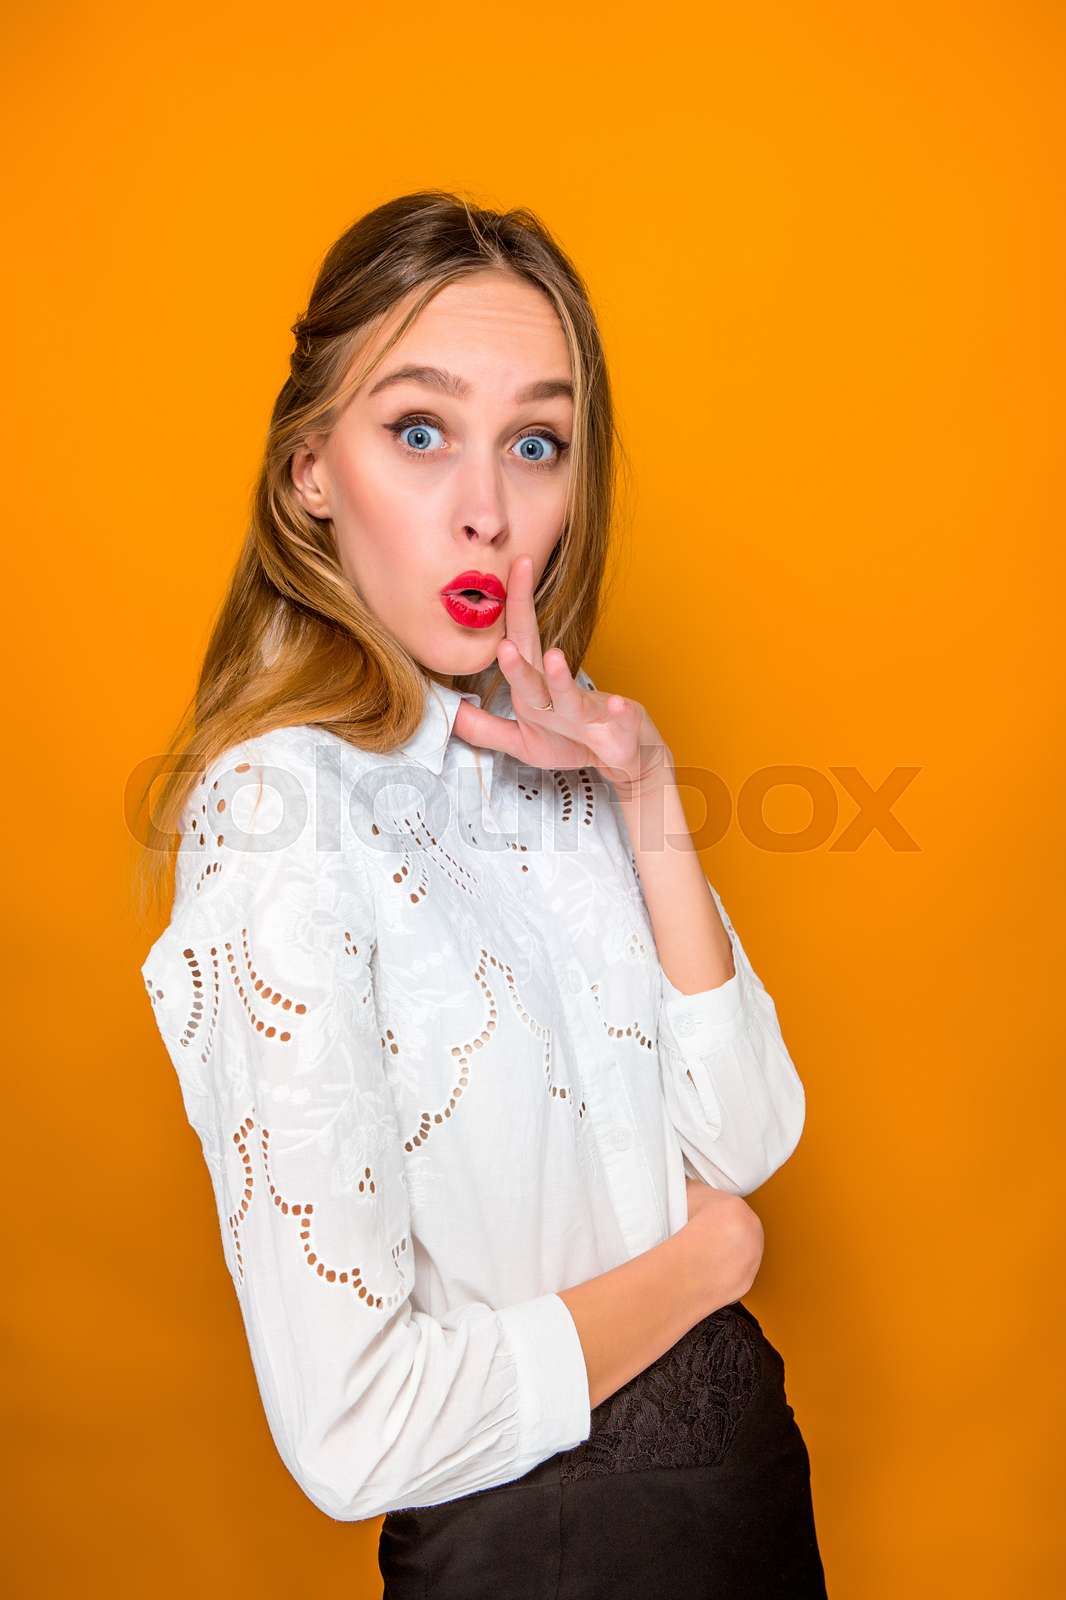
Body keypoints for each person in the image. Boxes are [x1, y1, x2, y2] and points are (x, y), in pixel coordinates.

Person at [136, 189, 827, 1597]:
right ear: (306, 475)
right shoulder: (281, 814)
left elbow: (745, 1134)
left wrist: (643, 805)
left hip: (742, 1510)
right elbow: (355, 1432)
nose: (486, 511)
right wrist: (704, 1270)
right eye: (416, 431)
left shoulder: (547, 767)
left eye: (534, 443)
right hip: (551, 1555)